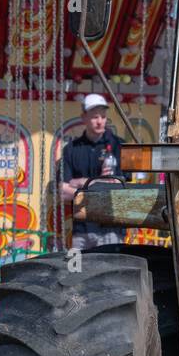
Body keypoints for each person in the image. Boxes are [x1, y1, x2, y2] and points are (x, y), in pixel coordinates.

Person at [61, 93, 125, 249]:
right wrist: (100, 184)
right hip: (81, 230)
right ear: (84, 117)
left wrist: (83, 183)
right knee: (75, 271)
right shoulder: (71, 149)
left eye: (103, 117)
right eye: (95, 117)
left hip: (111, 228)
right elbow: (63, 192)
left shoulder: (119, 146)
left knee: (111, 272)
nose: (99, 121)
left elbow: (120, 186)